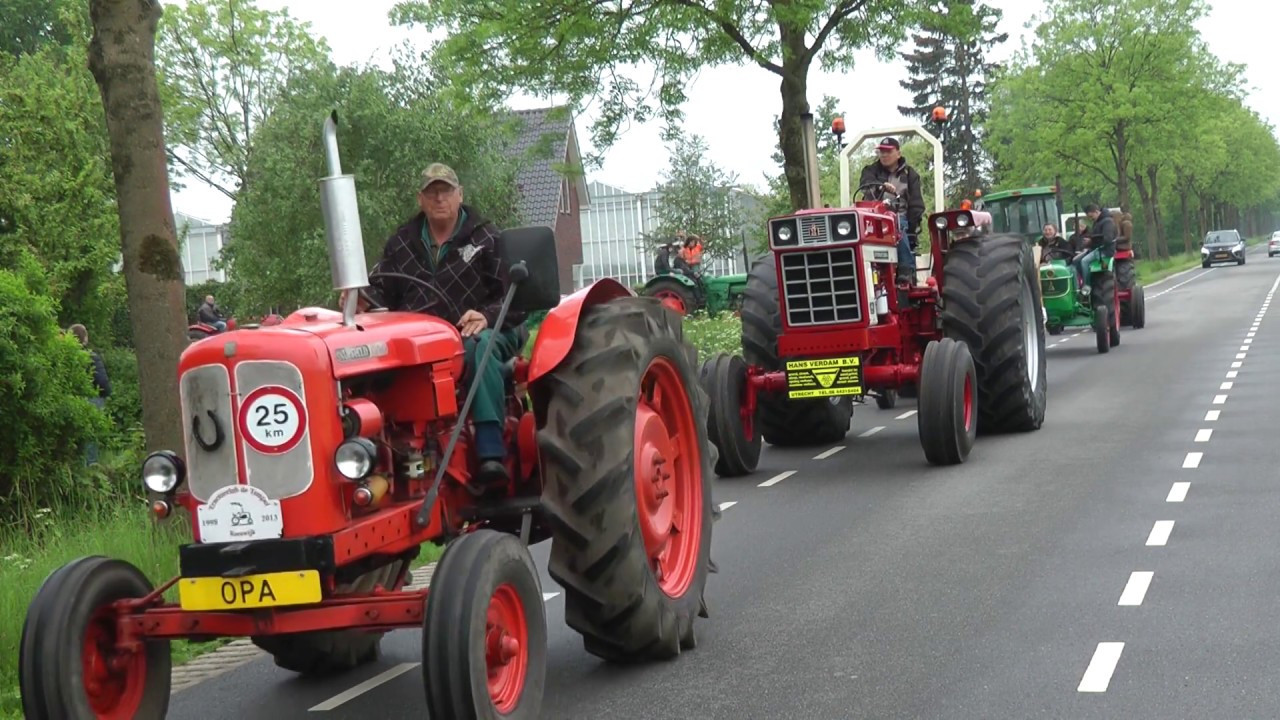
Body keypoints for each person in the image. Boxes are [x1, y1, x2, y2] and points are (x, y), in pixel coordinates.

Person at [340, 162, 525, 486]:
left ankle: (490, 451)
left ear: (459, 195)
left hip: (489, 327)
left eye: (446, 191)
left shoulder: (487, 237)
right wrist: (361, 298)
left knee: (476, 348)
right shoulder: (402, 242)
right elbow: (382, 288)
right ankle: (369, 450)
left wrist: (486, 315)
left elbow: (514, 296)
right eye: (432, 193)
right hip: (421, 342)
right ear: (420, 200)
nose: (440, 199)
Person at [858, 137, 925, 285]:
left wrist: (913, 227)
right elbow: (865, 185)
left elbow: (916, 204)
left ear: (898, 153)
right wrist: (881, 186)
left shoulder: (910, 174)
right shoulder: (870, 170)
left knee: (896, 223)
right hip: (872, 217)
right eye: (881, 151)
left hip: (898, 218)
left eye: (888, 151)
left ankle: (906, 270)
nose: (884, 155)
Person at [68, 323, 110, 465]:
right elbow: (102, 381)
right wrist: (106, 393)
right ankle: (91, 466)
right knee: (91, 434)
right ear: (85, 338)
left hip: (72, 399)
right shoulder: (91, 357)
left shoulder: (66, 357)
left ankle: (76, 465)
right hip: (93, 397)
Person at [1075, 204, 1117, 297]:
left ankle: (1087, 286)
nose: (1091, 218)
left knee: (1086, 262)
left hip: (1105, 251)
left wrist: (1091, 240)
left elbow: (1108, 239)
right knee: (1079, 261)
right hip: (1097, 249)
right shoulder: (1097, 222)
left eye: (1091, 216)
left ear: (1096, 212)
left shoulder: (1107, 222)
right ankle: (1082, 284)